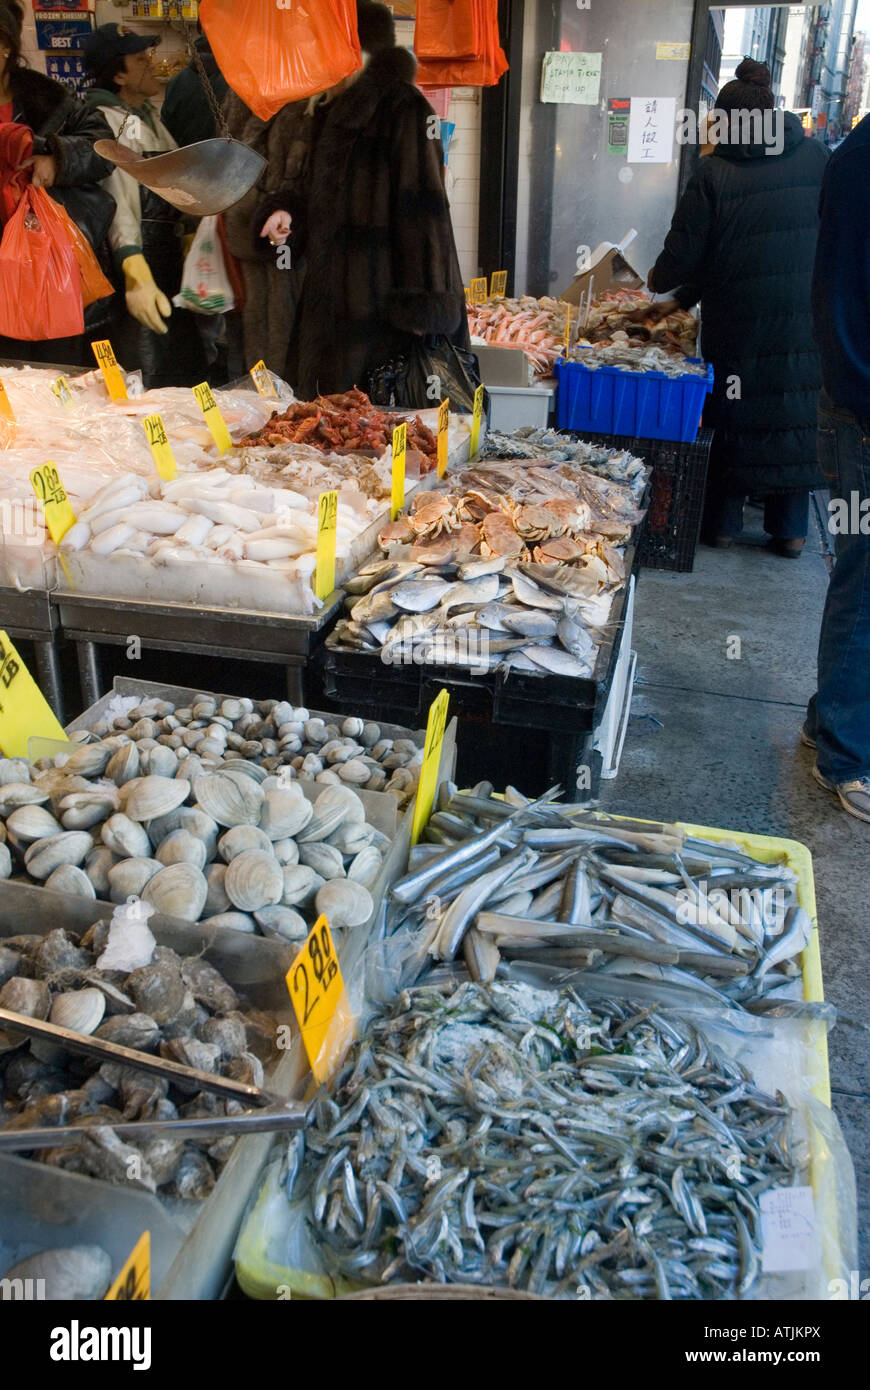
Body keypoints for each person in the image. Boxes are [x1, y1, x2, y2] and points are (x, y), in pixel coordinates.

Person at [645, 59, 828, 556]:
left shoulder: (715, 173)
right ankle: (790, 531)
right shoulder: (815, 158)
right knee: (794, 408)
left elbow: (686, 253)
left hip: (739, 319)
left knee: (734, 412)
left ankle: (722, 526)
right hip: (807, 318)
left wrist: (661, 285)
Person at [260, 0, 468, 399]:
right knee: (332, 430)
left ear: (354, 52)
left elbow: (426, 212)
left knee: (381, 431)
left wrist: (424, 306)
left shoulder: (405, 108)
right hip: (332, 308)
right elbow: (312, 193)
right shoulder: (329, 111)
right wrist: (285, 213)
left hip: (383, 316)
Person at [802, 114, 870, 822]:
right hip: (860, 413)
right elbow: (839, 299)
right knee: (864, 575)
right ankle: (846, 755)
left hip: (848, 402)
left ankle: (831, 718)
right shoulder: (858, 162)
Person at [82, 23, 205, 389]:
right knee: (143, 379)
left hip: (165, 265)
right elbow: (121, 203)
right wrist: (136, 274)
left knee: (181, 376)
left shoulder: (147, 118)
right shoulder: (106, 122)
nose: (152, 63)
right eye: (140, 59)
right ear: (119, 74)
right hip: (132, 272)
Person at [0, 0, 116, 365]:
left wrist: (57, 158)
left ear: (5, 48)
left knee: (54, 383)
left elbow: (105, 147)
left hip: (47, 271)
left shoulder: (49, 101)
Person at [222, 91, 312, 378]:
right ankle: (263, 401)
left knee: (288, 324)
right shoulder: (239, 94)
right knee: (255, 320)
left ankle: (285, 402)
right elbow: (227, 160)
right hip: (249, 230)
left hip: (294, 238)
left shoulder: (311, 95)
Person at [160, 24, 228, 149]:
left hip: (185, 163)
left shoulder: (176, 82)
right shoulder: (238, 82)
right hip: (227, 163)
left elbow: (166, 134)